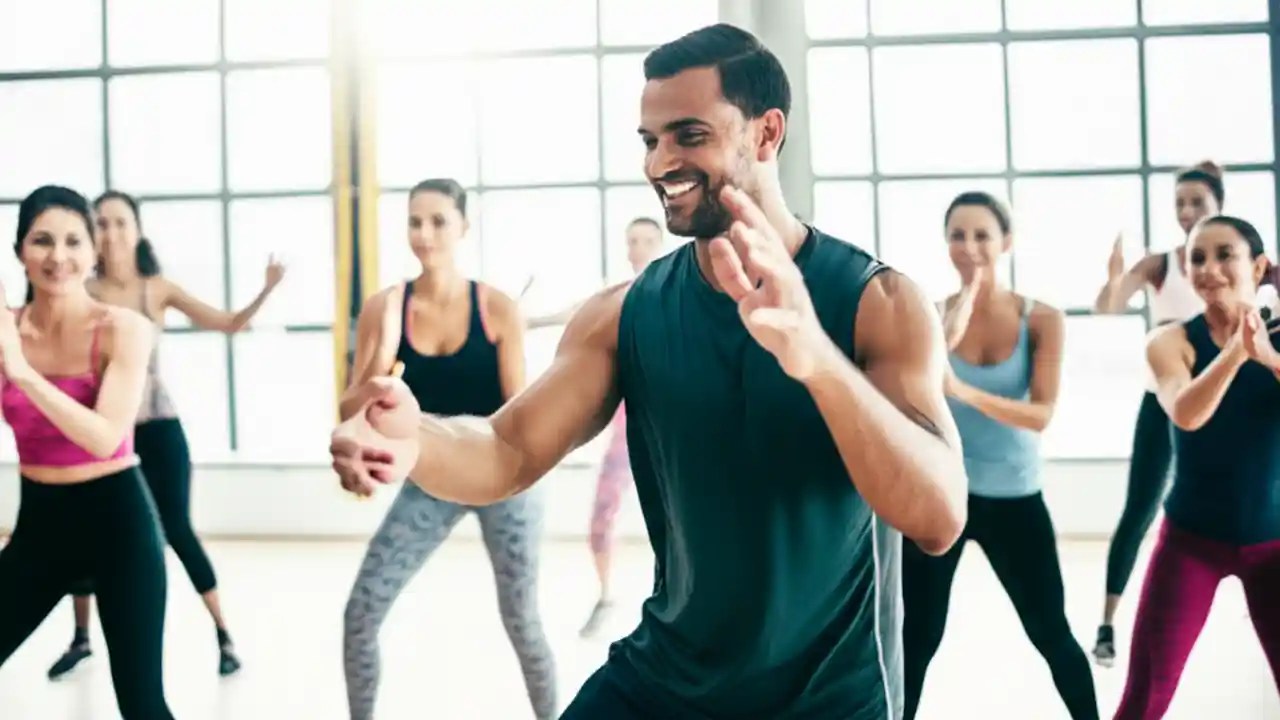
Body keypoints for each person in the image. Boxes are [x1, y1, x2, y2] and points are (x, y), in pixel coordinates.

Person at [331, 24, 968, 719]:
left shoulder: (879, 304)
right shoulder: (624, 314)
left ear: (766, 134)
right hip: (664, 681)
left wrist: (817, 358)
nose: (660, 162)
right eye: (649, 140)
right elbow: (507, 449)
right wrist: (413, 438)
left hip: (826, 700)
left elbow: (937, 519)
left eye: (688, 135)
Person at [43, 190, 285, 680]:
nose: (111, 233)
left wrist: (266, 290)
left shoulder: (157, 290)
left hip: (158, 430)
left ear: (138, 231)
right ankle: (82, 638)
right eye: (102, 224)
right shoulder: (81, 292)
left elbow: (229, 323)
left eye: (120, 223)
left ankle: (224, 634)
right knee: (86, 532)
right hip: (104, 435)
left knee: (176, 529)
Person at [339, 178, 556, 720]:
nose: (425, 233)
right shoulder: (386, 306)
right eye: (415, 221)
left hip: (505, 476)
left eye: (438, 221)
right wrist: (384, 350)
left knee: (523, 621)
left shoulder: (497, 308)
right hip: (432, 478)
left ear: (463, 227)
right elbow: (351, 408)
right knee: (361, 614)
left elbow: (521, 417)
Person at [904, 192, 1098, 720]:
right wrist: (942, 342)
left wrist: (960, 390)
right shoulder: (929, 315)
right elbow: (911, 404)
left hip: (1015, 498)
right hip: (942, 496)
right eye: (957, 235)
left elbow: (1041, 414)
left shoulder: (1042, 319)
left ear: (1006, 242)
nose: (969, 246)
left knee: (1051, 633)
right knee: (915, 639)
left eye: (982, 235)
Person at [0, 185, 174, 719]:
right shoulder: (6, 329)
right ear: (19, 251)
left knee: (142, 706)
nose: (58, 256)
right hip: (39, 529)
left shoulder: (125, 329)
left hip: (118, 527)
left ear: (93, 251)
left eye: (74, 241)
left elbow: (104, 437)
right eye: (42, 241)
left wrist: (21, 371)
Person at [1113, 215, 1280, 719]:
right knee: (1144, 699)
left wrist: (1270, 358)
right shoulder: (1168, 341)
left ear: (1258, 266)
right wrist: (1236, 353)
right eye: (1197, 258)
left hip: (1274, 544)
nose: (1208, 268)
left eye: (1225, 255)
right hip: (1189, 543)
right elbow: (1186, 414)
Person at [1090, 161, 1224, 666]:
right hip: (1163, 401)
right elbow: (1108, 307)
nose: (1187, 211)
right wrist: (1113, 279)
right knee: (1140, 509)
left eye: (1197, 202)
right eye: (1180, 203)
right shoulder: (1160, 265)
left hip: (1222, 398)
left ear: (1218, 205)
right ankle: (1107, 624)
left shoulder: (1232, 260)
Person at [527, 217, 666, 638]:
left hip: (675, 424)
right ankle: (607, 597)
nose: (638, 248)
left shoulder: (677, 295)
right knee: (603, 514)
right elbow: (573, 314)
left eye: (646, 241)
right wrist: (523, 322)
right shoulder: (615, 300)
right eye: (632, 241)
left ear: (660, 244)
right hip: (629, 424)